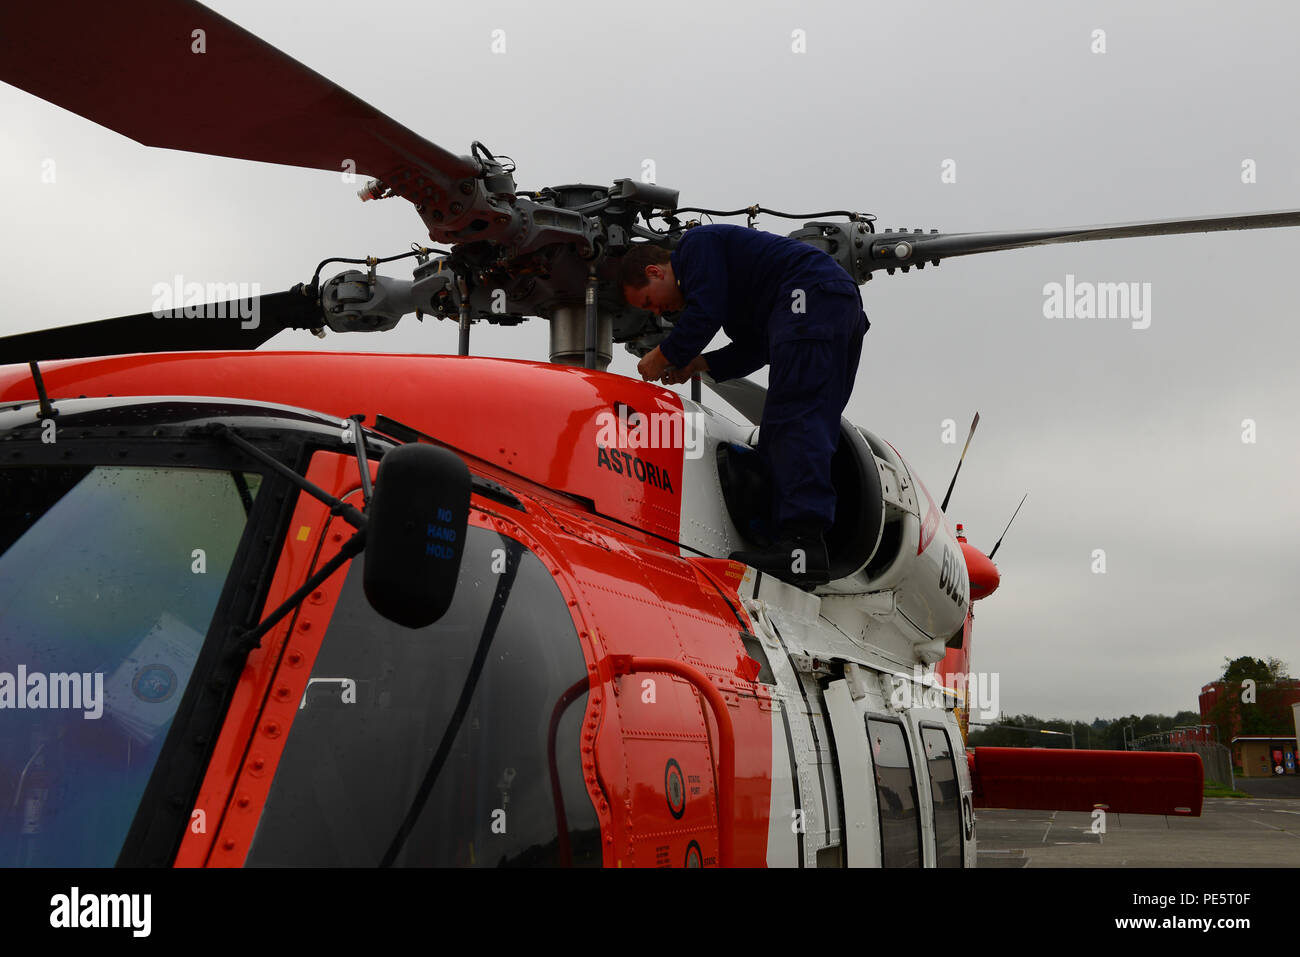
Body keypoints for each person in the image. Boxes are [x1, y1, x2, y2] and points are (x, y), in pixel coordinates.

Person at [620, 223, 869, 588]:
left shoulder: (696, 245)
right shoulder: (740, 288)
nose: (657, 311)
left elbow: (706, 312)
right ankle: (797, 542)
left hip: (812, 300)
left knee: (793, 422)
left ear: (655, 272)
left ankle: (802, 548)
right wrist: (698, 364)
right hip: (830, 308)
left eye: (649, 300)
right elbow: (757, 348)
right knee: (804, 423)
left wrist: (665, 353)